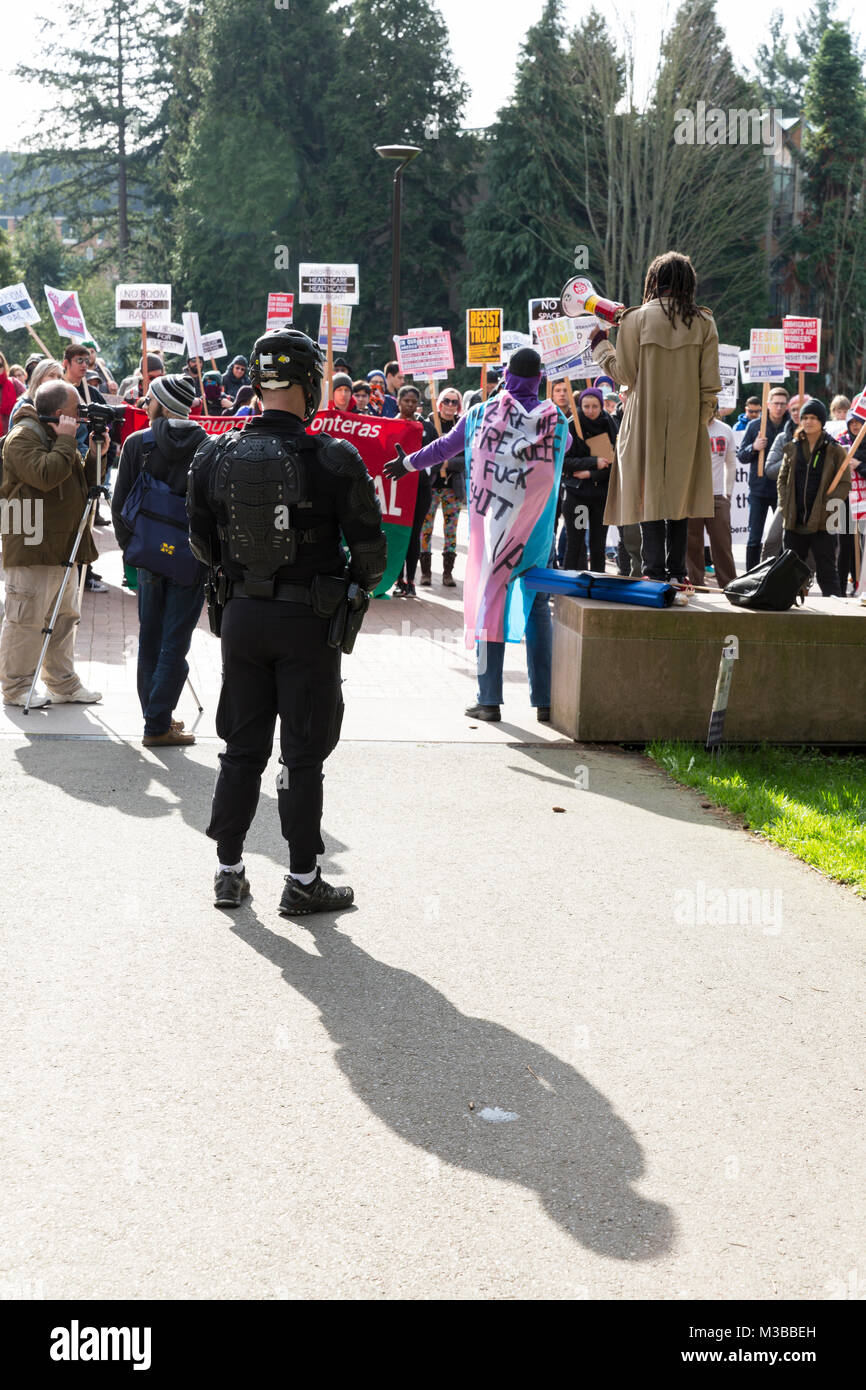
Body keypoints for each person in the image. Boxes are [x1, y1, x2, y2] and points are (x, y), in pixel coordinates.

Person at [187, 327, 387, 913]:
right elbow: (371, 552)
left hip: (242, 618)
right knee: (303, 755)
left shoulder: (213, 452)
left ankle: (228, 870)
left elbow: (199, 542)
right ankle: (302, 880)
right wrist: (348, 588)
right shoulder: (334, 457)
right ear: (308, 384)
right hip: (308, 622)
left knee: (240, 748)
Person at [384, 346, 567, 722]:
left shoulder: (482, 414)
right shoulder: (557, 420)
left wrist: (407, 463)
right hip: (534, 534)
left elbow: (445, 447)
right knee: (536, 611)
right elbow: (559, 459)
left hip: (495, 535)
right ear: (540, 380)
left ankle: (489, 700)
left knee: (490, 611)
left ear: (507, 376)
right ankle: (545, 702)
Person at [591, 250, 721, 585]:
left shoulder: (634, 319)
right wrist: (698, 420)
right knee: (680, 499)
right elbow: (711, 386)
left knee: (647, 495)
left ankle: (653, 571)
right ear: (688, 283)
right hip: (687, 424)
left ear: (654, 281)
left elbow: (622, 375)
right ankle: (678, 575)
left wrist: (600, 347)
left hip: (642, 422)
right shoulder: (705, 322)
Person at [111, 374, 207, 747]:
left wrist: (131, 550)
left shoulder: (139, 443)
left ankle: (156, 718)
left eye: (149, 399)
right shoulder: (208, 446)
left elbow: (119, 506)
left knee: (150, 638)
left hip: (149, 557)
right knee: (175, 641)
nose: (144, 403)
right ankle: (158, 722)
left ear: (164, 405)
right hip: (190, 558)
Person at [0, 380, 104, 707]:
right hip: (32, 541)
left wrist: (98, 452)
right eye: (77, 412)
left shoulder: (58, 437)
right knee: (26, 618)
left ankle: (63, 683)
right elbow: (45, 475)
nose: (81, 417)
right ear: (59, 414)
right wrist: (66, 439)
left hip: (63, 544)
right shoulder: (23, 437)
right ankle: (16, 687)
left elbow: (81, 485)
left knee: (62, 618)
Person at [776, 398, 848, 597]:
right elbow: (782, 479)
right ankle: (788, 609)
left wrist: (827, 507)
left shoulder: (835, 450)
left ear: (822, 421)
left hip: (823, 522)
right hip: (794, 521)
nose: (808, 421)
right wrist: (784, 505)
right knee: (790, 570)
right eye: (805, 417)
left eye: (813, 418)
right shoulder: (793, 447)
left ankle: (837, 615)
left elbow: (844, 483)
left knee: (826, 571)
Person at [559, 386, 616, 571]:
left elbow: (614, 465)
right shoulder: (571, 425)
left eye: (594, 406)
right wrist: (593, 462)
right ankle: (568, 587)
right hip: (578, 497)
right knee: (575, 543)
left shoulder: (610, 424)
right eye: (586, 406)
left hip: (600, 496)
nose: (590, 411)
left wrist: (591, 473)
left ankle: (597, 586)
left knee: (598, 545)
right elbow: (564, 461)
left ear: (601, 406)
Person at [737, 385, 789, 571]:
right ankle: (750, 575)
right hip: (758, 489)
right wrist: (754, 447)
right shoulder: (755, 426)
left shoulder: (791, 427)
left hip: (782, 490)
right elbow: (741, 456)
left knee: (782, 537)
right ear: (768, 404)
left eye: (783, 404)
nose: (779, 407)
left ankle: (779, 574)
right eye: (776, 403)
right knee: (754, 537)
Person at [686, 408, 738, 588]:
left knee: (722, 544)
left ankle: (730, 585)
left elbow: (731, 463)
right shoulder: (688, 427)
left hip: (718, 495)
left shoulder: (725, 430)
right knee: (692, 544)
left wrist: (728, 492)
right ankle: (696, 585)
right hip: (692, 496)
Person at [419, 388, 464, 588]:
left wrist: (448, 464)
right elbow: (424, 451)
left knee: (451, 530)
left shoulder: (462, 425)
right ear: (440, 403)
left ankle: (447, 573)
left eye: (454, 402)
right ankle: (426, 572)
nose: (450, 406)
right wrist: (438, 464)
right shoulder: (429, 424)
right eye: (446, 401)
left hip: (452, 488)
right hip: (431, 486)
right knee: (426, 529)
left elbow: (468, 456)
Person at [391, 385, 428, 597]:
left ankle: (411, 580)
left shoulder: (426, 427)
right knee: (397, 533)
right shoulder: (389, 425)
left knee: (414, 534)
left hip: (420, 488)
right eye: (406, 401)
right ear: (398, 401)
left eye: (414, 401)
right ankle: (397, 579)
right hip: (397, 487)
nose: (411, 405)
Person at [760, 394, 804, 561]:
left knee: (804, 548)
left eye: (800, 409)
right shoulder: (783, 438)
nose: (796, 413)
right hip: (786, 500)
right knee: (772, 541)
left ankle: (801, 584)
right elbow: (770, 470)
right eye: (793, 409)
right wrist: (792, 453)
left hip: (812, 502)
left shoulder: (823, 439)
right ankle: (762, 579)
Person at [836, 411, 866, 595]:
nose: (855, 426)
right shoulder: (840, 442)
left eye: (859, 422)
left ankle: (859, 585)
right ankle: (839, 587)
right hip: (846, 501)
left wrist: (859, 465)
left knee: (862, 544)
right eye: (852, 422)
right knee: (845, 544)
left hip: (864, 502)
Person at [7, 358, 63, 429]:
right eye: (51, 375)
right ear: (39, 378)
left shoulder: (63, 404)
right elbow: (14, 437)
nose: (56, 380)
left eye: (59, 377)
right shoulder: (22, 405)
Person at [1, 351, 25, 436]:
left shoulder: (14, 383)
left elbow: (29, 402)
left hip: (11, 437)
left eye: (0, 365)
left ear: (4, 367)